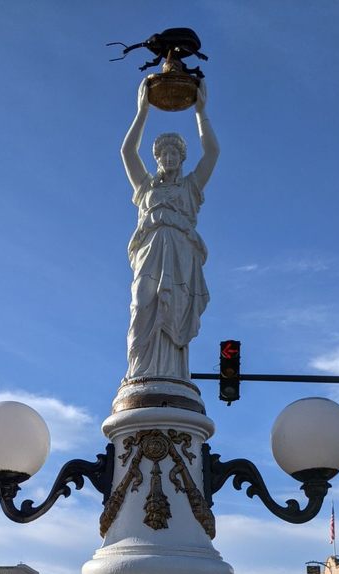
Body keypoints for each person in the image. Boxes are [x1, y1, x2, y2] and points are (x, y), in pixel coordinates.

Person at [121, 78, 219, 381]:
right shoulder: (145, 186)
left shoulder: (190, 187)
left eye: (174, 153)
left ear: (181, 157)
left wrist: (201, 113)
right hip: (149, 253)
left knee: (174, 311)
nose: (168, 158)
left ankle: (174, 376)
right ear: (157, 158)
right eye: (163, 154)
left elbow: (212, 153)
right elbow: (127, 151)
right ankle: (139, 373)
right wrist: (142, 111)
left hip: (179, 254)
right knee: (142, 305)